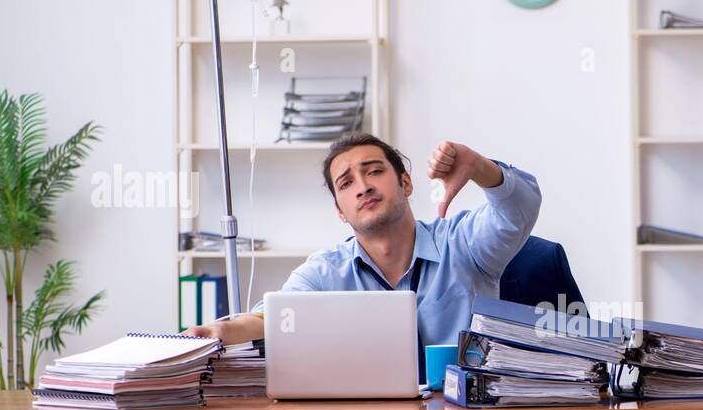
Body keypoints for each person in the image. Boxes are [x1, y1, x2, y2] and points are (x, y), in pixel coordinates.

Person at [184, 133, 541, 359]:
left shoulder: (463, 243)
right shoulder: (327, 270)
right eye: (346, 182)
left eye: (373, 171)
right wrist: (220, 332)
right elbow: (274, 314)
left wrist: (480, 167)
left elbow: (519, 208)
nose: (362, 187)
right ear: (340, 211)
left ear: (405, 183)